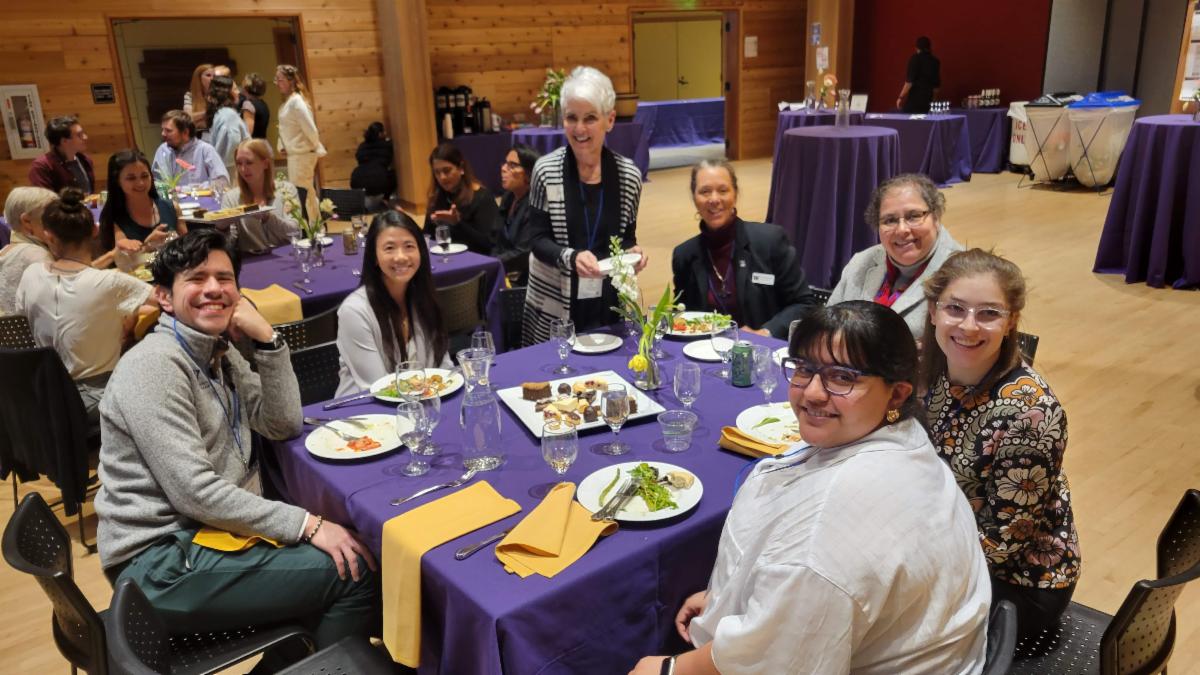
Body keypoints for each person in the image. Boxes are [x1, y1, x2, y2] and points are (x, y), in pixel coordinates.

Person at [630, 301, 990, 675]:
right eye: (804, 369)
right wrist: (732, 595)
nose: (813, 393)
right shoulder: (904, 439)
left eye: (843, 377)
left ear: (897, 394)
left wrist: (666, 669)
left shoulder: (826, 528)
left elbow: (773, 662)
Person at [94, 229, 379, 660]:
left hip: (206, 536)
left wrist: (269, 342)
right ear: (164, 297)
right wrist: (309, 524)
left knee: (337, 561)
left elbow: (281, 424)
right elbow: (196, 492)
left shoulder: (217, 353)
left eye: (224, 278)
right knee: (354, 570)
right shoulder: (154, 366)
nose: (214, 289)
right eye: (197, 278)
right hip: (158, 563)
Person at [921, 248, 1080, 642]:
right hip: (947, 538)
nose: (968, 326)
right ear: (933, 312)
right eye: (955, 308)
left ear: (1011, 322)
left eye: (988, 313)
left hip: (1017, 582)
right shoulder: (938, 370)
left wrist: (910, 555)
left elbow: (1003, 540)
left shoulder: (1031, 414)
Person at [521, 66, 648, 344]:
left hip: (608, 305)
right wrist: (572, 257)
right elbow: (537, 240)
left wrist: (633, 253)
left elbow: (626, 239)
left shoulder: (629, 176)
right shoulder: (546, 171)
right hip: (554, 305)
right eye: (571, 118)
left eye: (590, 118)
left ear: (609, 120)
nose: (579, 129)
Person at [15, 188, 155, 428]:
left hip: (43, 397)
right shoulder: (111, 283)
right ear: (94, 231)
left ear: (49, 236)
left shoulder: (31, 274)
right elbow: (167, 301)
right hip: (95, 398)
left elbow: (75, 282)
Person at [672, 159, 815, 339]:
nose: (714, 199)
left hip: (764, 349)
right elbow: (682, 315)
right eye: (705, 191)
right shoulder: (684, 255)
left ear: (735, 194)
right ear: (694, 198)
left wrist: (765, 333)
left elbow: (804, 304)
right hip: (705, 350)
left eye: (723, 190)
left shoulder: (770, 241)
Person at [827, 173, 963, 338]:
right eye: (890, 220)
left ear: (936, 217)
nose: (902, 230)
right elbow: (827, 326)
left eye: (914, 216)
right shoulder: (861, 262)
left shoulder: (962, 275)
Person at [336, 210, 450, 396]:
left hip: (421, 403)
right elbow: (378, 387)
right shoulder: (355, 311)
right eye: (389, 248)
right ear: (374, 256)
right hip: (366, 409)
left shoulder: (423, 298)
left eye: (409, 246)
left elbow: (443, 368)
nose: (401, 257)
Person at [219, 138, 301, 254]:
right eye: (239, 163)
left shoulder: (286, 190)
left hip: (286, 257)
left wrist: (268, 218)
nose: (243, 169)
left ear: (265, 164)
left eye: (249, 163)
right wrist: (222, 229)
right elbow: (230, 244)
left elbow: (295, 233)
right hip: (252, 260)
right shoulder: (231, 198)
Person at [100, 149, 183, 254]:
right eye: (131, 178)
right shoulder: (115, 218)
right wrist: (148, 245)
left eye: (144, 176)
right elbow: (123, 259)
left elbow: (188, 247)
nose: (140, 183)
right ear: (117, 181)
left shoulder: (172, 207)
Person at [423, 142, 498, 256]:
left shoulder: (482, 198)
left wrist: (458, 224)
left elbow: (488, 244)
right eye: (437, 173)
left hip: (474, 259)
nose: (442, 177)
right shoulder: (437, 198)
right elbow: (427, 236)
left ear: (461, 168)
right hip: (444, 258)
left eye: (447, 170)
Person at [274, 64, 326, 222]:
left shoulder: (297, 102)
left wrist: (313, 147)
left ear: (290, 81)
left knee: (304, 193)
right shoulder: (288, 103)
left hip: (302, 154)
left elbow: (311, 129)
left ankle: (314, 227)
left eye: (280, 80)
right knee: (304, 193)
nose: (277, 83)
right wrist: (282, 146)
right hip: (295, 154)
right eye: (276, 79)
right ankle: (314, 226)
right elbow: (286, 128)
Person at [0, 187, 57, 315]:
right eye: (52, 218)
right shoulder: (38, 256)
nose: (59, 223)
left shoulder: (6, 250)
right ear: (27, 221)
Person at [493, 143, 540, 286]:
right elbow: (497, 238)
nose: (503, 168)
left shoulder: (535, 204)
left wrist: (492, 263)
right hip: (504, 270)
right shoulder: (508, 197)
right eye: (505, 163)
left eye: (512, 165)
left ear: (529, 174)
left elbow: (523, 253)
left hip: (528, 280)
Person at [152, 110, 230, 188]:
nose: (163, 134)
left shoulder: (205, 150)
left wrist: (190, 189)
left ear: (185, 133)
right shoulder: (162, 150)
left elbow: (223, 182)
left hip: (198, 195)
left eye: (168, 131)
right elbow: (154, 181)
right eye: (163, 129)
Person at [28, 115, 94, 195]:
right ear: (64, 141)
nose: (85, 137)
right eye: (79, 135)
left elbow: (89, 194)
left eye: (83, 133)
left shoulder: (85, 160)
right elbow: (44, 199)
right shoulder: (42, 166)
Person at [207, 75, 251, 173]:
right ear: (226, 93)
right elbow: (232, 145)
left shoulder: (221, 113)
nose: (238, 92)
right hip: (231, 170)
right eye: (235, 89)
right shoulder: (228, 115)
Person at [350, 121, 395, 208]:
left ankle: (361, 206)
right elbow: (388, 159)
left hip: (357, 180)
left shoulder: (362, 146)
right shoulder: (386, 145)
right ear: (380, 134)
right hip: (379, 181)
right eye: (384, 131)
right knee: (393, 176)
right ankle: (385, 201)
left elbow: (358, 157)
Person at [897, 36, 941, 114]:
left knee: (909, 119)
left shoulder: (915, 59)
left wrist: (901, 97)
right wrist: (933, 101)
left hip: (915, 100)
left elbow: (909, 82)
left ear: (917, 48)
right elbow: (936, 87)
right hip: (928, 100)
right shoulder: (935, 61)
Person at [183, 63, 214, 135]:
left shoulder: (218, 95)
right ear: (199, 78)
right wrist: (208, 113)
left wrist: (198, 118)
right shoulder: (189, 96)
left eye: (214, 76)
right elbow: (188, 118)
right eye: (208, 75)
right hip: (197, 135)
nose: (212, 78)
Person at [240, 72, 271, 139]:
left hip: (253, 144)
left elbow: (248, 134)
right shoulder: (263, 104)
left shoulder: (248, 104)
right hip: (263, 142)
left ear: (246, 88)